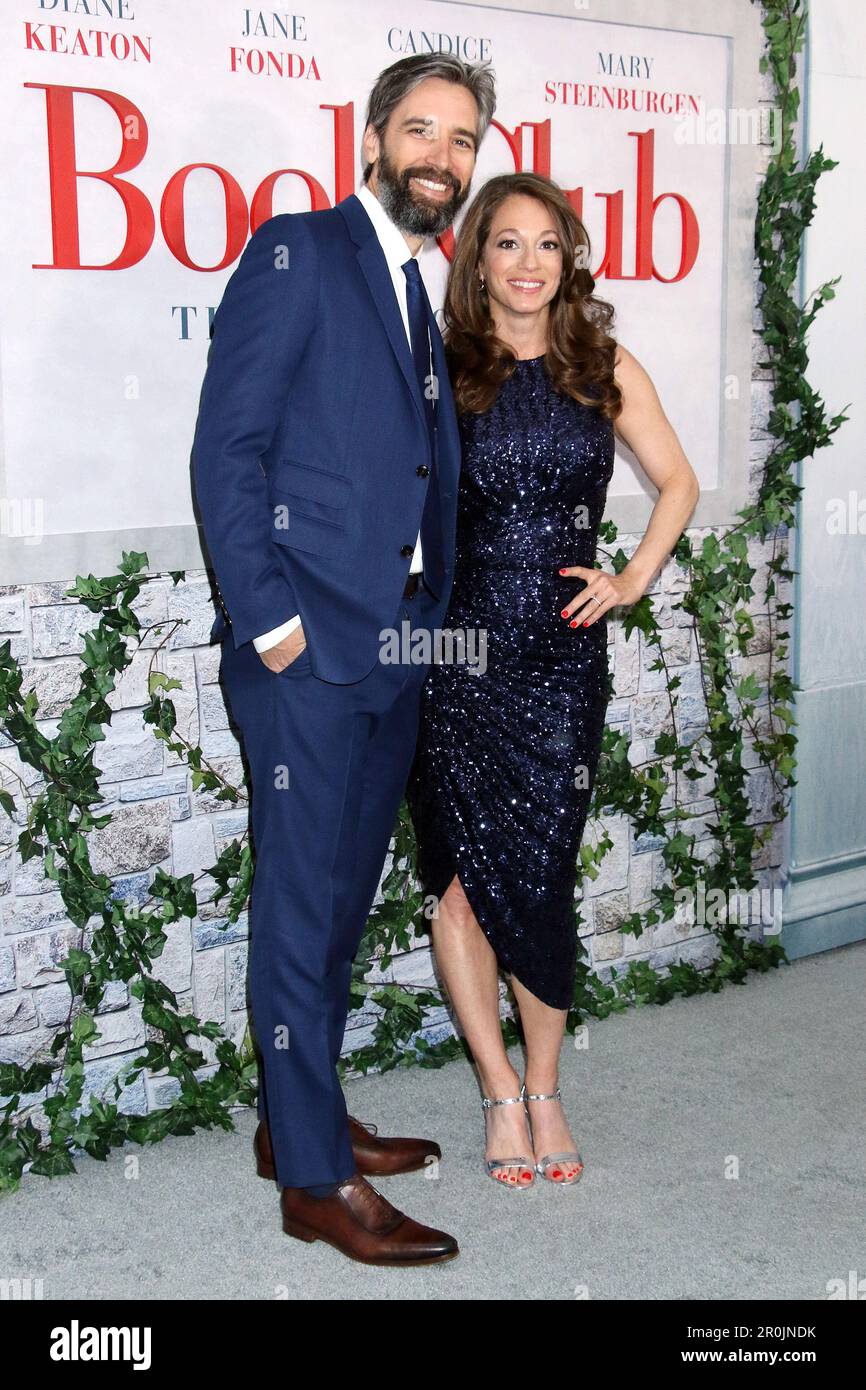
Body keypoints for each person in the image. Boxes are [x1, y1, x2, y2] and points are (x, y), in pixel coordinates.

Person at [190, 53, 496, 1264]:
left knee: (337, 906)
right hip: (307, 653)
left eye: (460, 138)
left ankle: (291, 1118)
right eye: (418, 129)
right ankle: (313, 1183)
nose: (440, 154)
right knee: (297, 904)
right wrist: (274, 626)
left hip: (395, 648)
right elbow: (229, 453)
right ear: (370, 139)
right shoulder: (297, 251)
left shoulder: (422, 283)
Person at [406, 172, 700, 1190]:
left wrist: (627, 578)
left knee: (537, 871)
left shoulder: (601, 362)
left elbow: (677, 481)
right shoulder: (438, 365)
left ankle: (544, 1085)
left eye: (546, 244)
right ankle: (496, 1090)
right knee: (456, 875)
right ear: (475, 259)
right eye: (506, 244)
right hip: (454, 648)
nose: (528, 263)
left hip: (559, 654)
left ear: (567, 258)